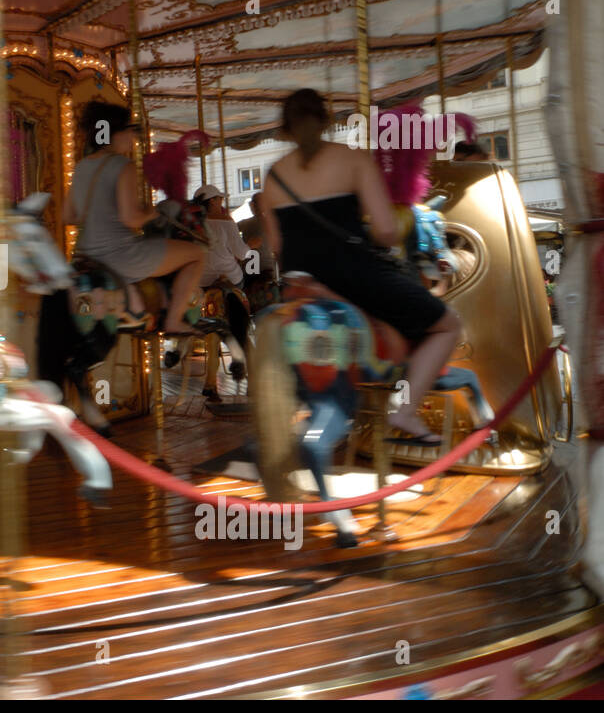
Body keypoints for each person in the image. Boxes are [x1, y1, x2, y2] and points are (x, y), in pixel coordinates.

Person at [258, 89, 462, 446]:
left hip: (299, 282)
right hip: (351, 273)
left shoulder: (273, 175)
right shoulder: (352, 158)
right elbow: (385, 231)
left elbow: (276, 247)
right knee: (446, 325)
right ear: (326, 120)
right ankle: (404, 410)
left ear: (286, 128)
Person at [61, 101, 206, 334]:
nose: (133, 137)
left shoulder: (81, 167)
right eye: (131, 129)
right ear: (114, 132)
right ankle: (174, 320)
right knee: (197, 254)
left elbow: (68, 215)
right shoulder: (123, 165)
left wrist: (100, 214)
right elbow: (131, 220)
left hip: (86, 256)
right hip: (120, 256)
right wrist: (151, 212)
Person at [194, 184, 252, 400]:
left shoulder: (195, 224)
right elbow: (241, 252)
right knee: (243, 327)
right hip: (231, 278)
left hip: (204, 282)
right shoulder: (227, 222)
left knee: (211, 332)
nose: (221, 203)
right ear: (211, 202)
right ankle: (252, 378)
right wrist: (251, 245)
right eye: (218, 199)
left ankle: (210, 384)